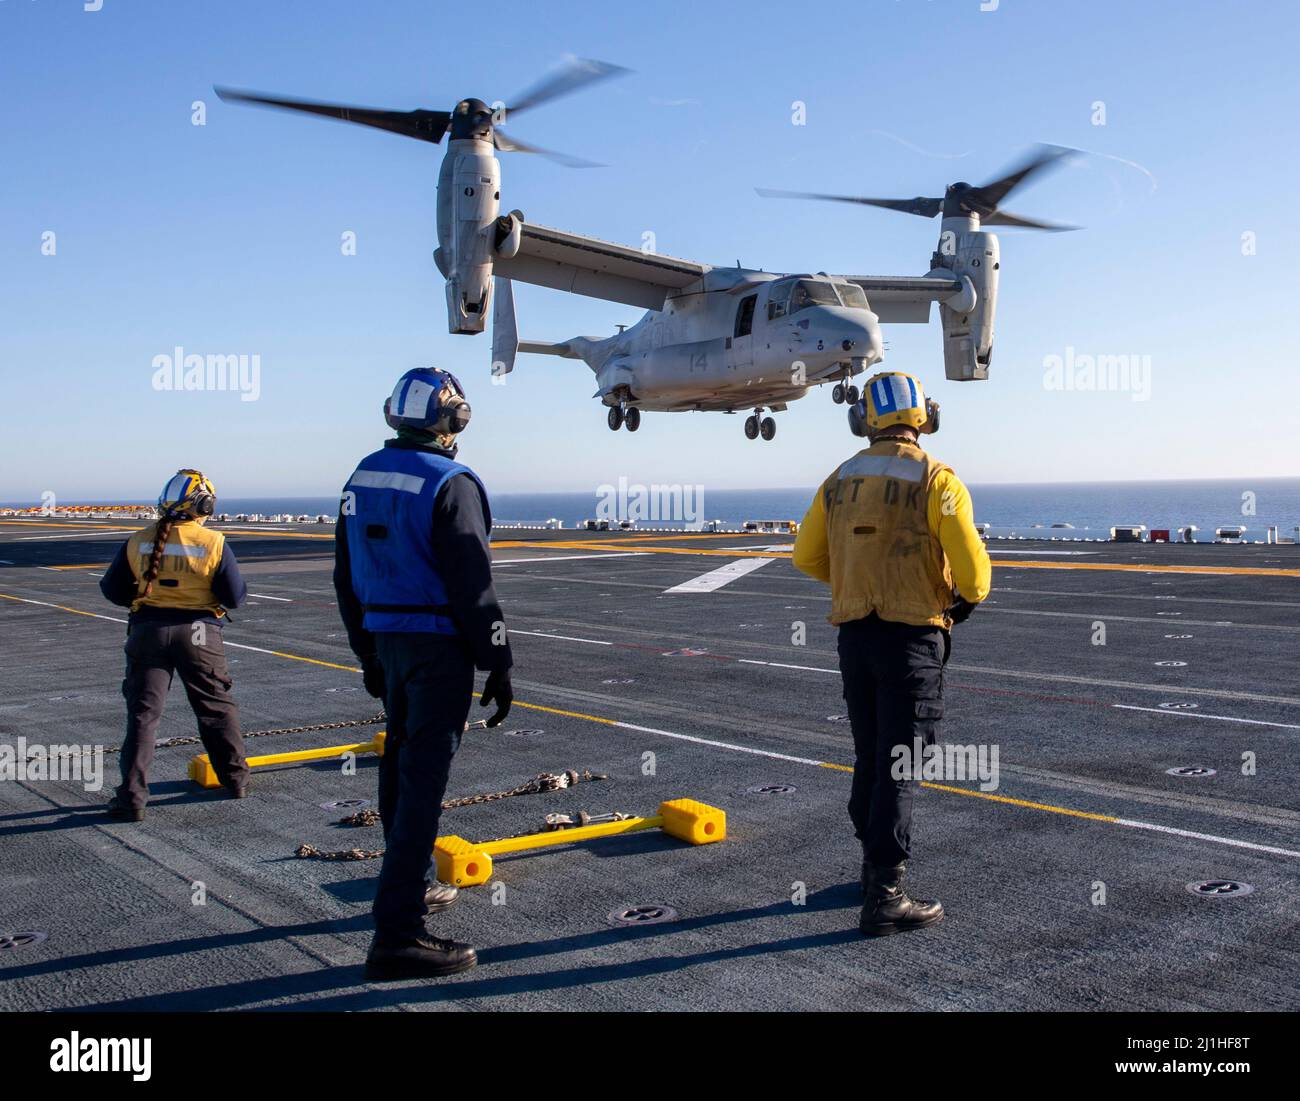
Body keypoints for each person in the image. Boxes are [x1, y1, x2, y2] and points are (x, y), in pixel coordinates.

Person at [793, 371, 990, 936]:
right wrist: (964, 601)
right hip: (912, 639)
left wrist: (855, 582)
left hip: (855, 636)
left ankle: (869, 870)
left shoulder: (839, 478)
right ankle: (884, 896)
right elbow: (973, 571)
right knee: (901, 765)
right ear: (924, 416)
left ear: (863, 421)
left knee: (870, 756)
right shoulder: (937, 478)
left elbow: (806, 557)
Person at [334, 367, 513, 980]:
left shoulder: (360, 477)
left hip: (387, 642)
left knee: (398, 770)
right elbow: (474, 586)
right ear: (453, 418)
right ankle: (397, 936)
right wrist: (498, 659)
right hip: (438, 648)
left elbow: (344, 576)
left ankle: (398, 894)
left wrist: (367, 655)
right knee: (423, 786)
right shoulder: (451, 481)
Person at [100, 469, 250, 820]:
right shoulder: (213, 543)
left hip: (148, 631)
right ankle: (236, 780)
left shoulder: (138, 540)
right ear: (205, 504)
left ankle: (132, 799)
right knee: (215, 707)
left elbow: (112, 589)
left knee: (143, 716)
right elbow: (235, 596)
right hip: (199, 633)